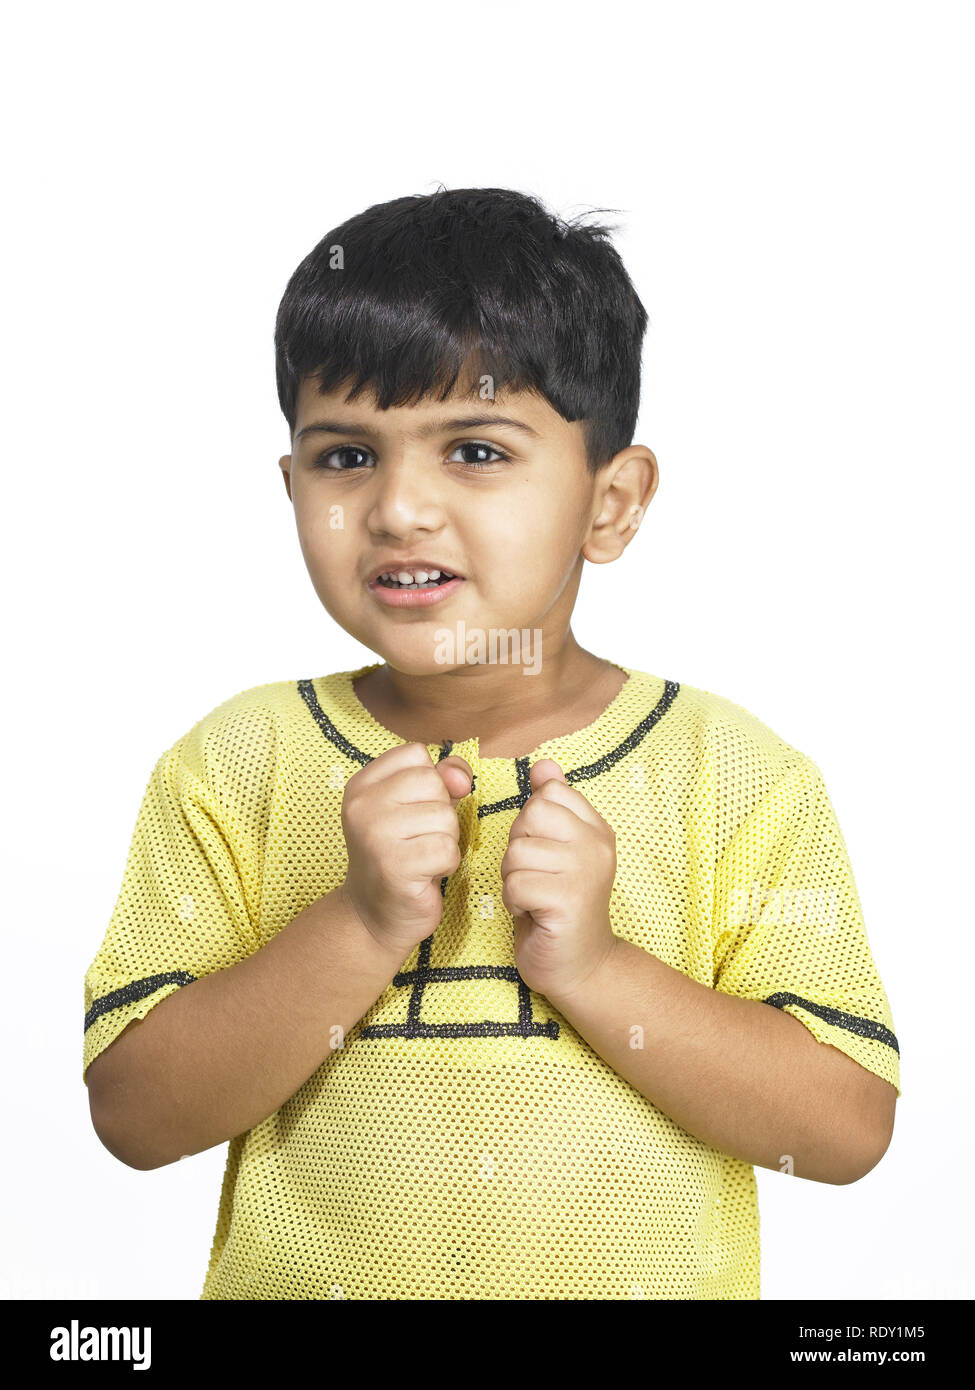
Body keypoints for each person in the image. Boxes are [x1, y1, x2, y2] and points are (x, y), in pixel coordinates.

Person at [82, 186, 899, 1300]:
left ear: (611, 503)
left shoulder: (734, 775)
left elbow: (845, 1129)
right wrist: (357, 922)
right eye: (344, 457)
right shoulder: (237, 762)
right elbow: (135, 1114)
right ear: (290, 488)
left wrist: (599, 968)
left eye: (472, 449)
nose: (400, 508)